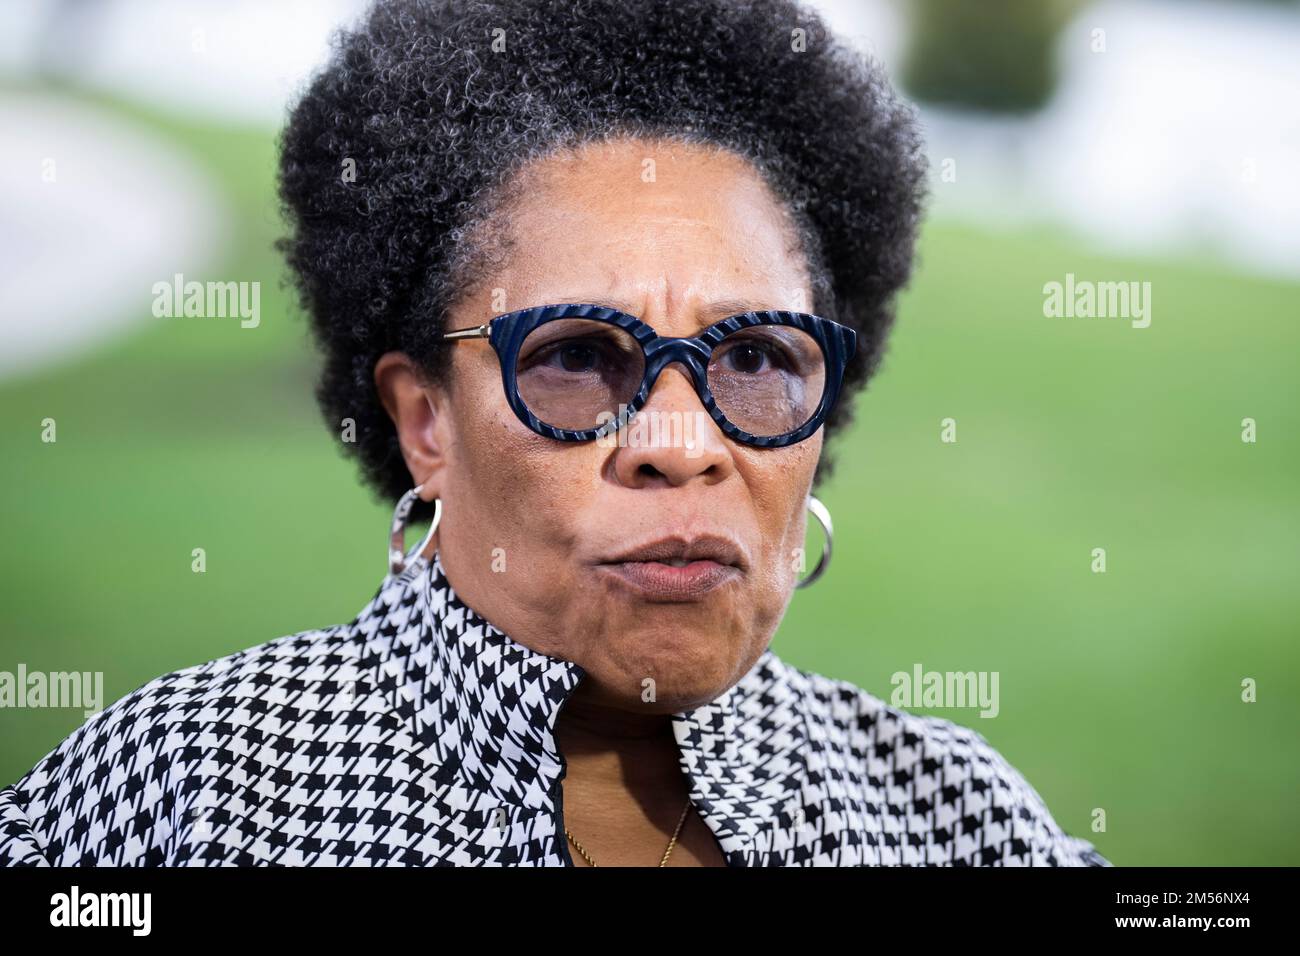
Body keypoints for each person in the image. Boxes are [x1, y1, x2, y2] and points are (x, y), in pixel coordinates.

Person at [0, 0, 1108, 866]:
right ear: (424, 419)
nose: (681, 442)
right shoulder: (189, 789)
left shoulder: (952, 812)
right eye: (578, 356)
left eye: (759, 358)